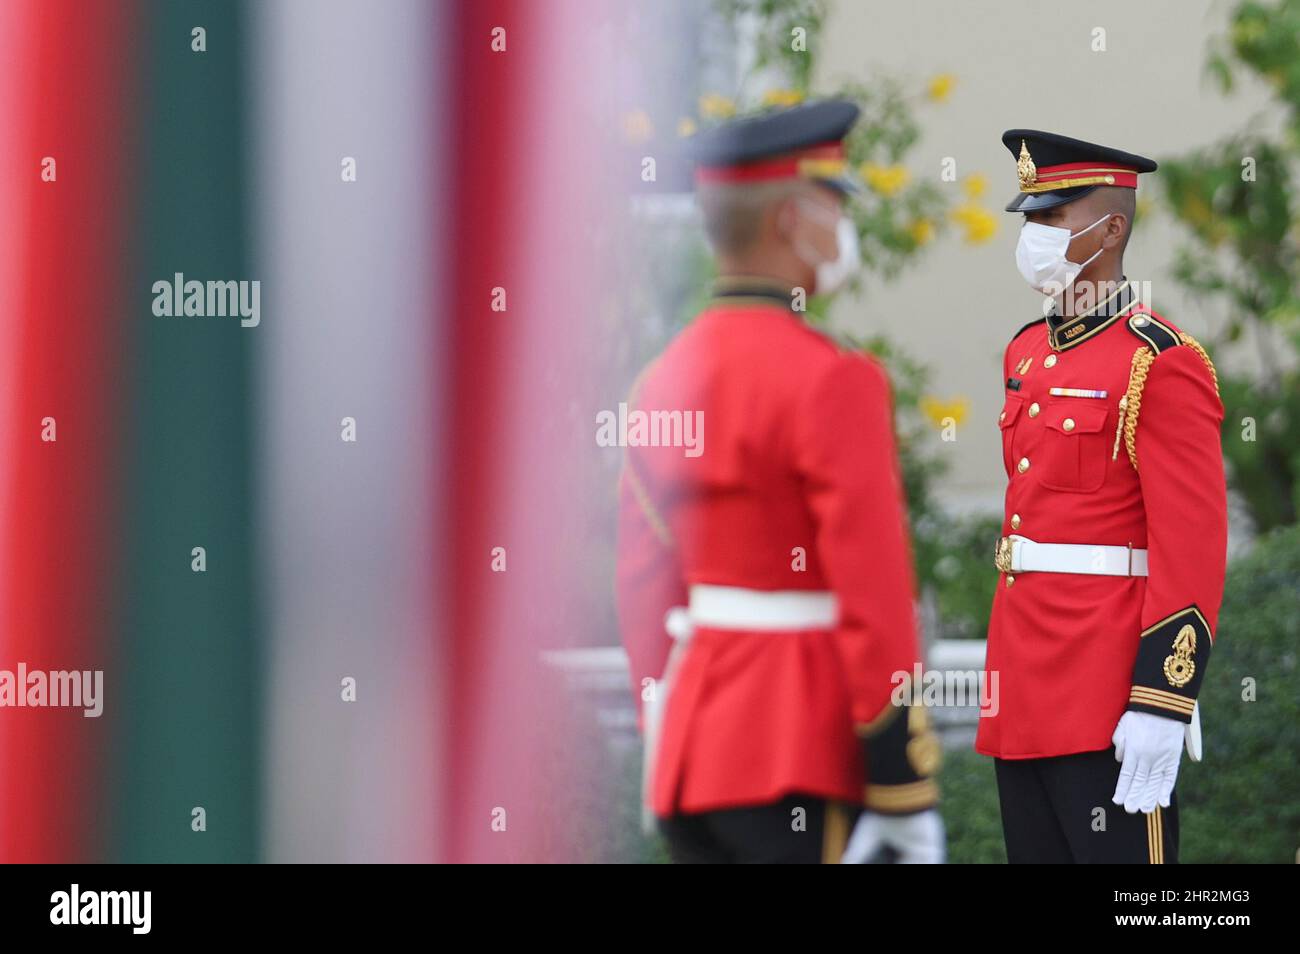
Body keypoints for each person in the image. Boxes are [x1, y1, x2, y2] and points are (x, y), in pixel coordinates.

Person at [615, 100, 943, 864]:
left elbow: (642, 582)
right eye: (836, 205)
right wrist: (901, 782)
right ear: (795, 221)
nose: (843, 229)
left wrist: (665, 732)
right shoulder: (834, 380)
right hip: (799, 751)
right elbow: (874, 595)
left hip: (694, 762)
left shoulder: (658, 382)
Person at [979, 129, 1227, 863]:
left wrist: (1162, 698)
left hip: (1106, 688)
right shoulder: (1025, 350)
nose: (1032, 235)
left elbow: (1192, 544)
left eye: (1051, 219)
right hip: (1022, 681)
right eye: (1028, 218)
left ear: (1111, 227)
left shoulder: (1161, 362)